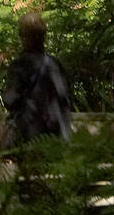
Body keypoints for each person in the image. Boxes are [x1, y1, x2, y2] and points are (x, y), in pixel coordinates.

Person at [4, 10, 72, 147]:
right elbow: (68, 99)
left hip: (30, 140)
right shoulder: (57, 64)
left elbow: (10, 101)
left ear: (24, 37)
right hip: (57, 141)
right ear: (43, 36)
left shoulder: (20, 65)